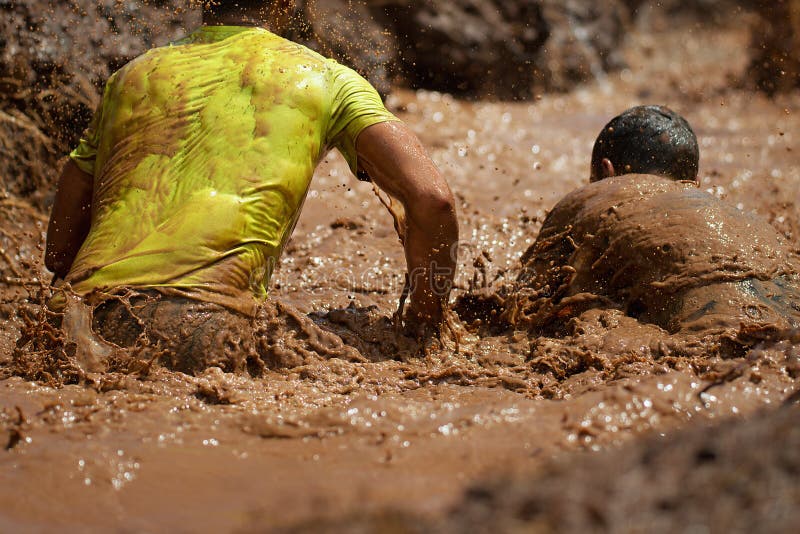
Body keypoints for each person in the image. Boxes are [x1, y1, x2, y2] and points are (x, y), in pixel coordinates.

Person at [44, 0, 459, 372]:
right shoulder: (329, 79)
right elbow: (433, 201)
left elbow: (60, 251)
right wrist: (425, 326)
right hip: (198, 326)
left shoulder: (131, 77)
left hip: (69, 326)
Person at [509, 105, 800, 337]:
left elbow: (521, 310)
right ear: (694, 181)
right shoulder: (755, 225)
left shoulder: (597, 197)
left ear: (606, 171)